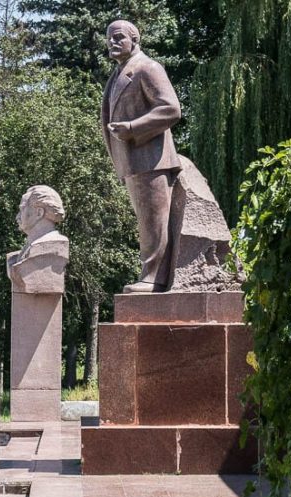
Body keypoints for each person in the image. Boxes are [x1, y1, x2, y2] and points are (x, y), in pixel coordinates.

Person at [101, 20, 182, 293]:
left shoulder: (148, 68)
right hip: (133, 161)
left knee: (154, 222)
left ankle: (154, 278)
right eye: (109, 38)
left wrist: (133, 128)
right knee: (146, 222)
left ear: (135, 40)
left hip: (152, 157)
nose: (112, 42)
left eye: (119, 37)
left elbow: (171, 109)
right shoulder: (118, 73)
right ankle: (151, 274)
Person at [7, 185, 69, 295]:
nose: (17, 217)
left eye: (21, 210)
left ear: (39, 213)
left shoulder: (52, 246)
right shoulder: (26, 250)